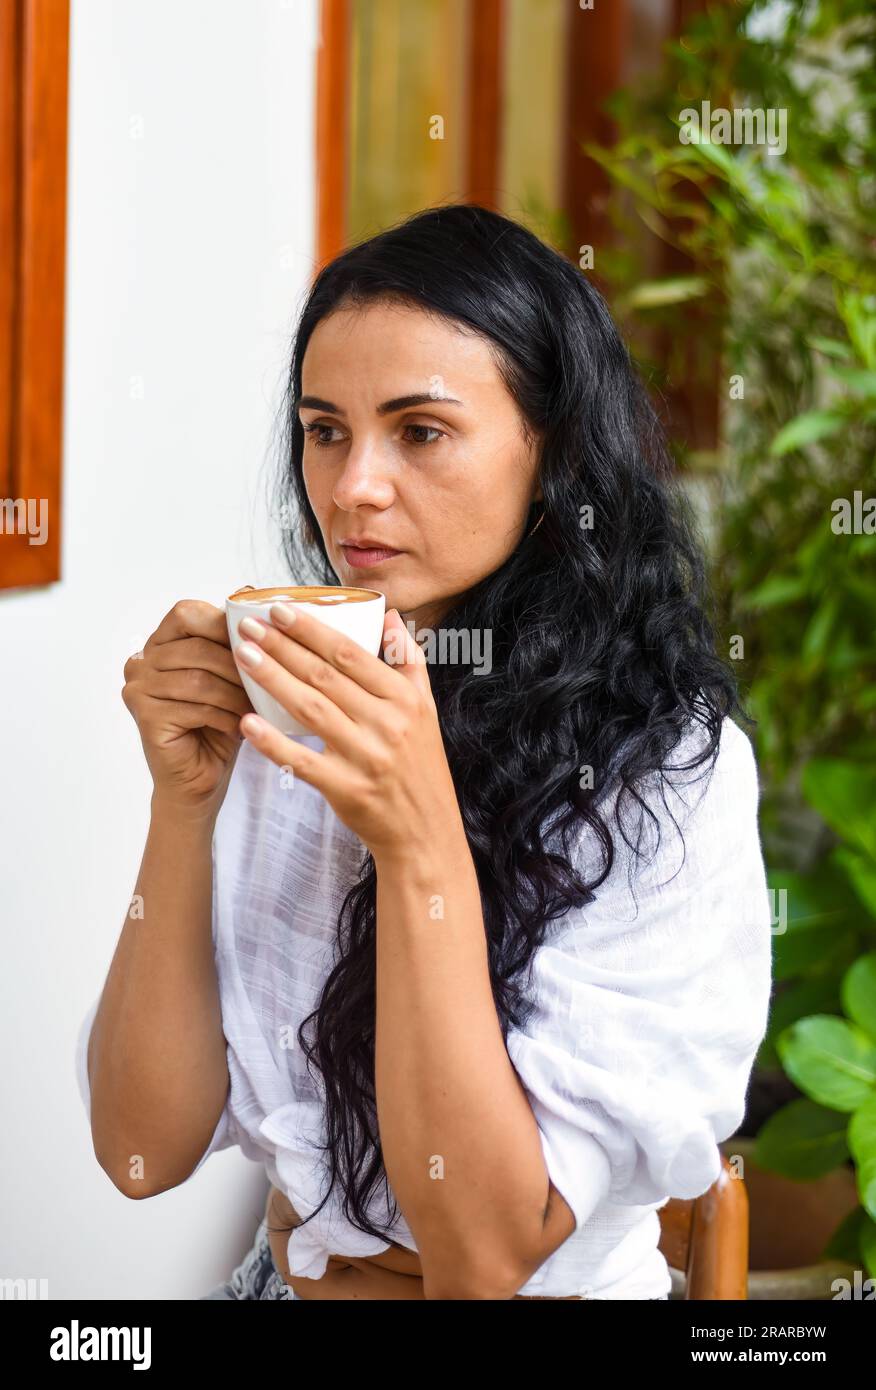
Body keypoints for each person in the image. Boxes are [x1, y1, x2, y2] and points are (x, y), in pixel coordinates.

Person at [75, 203, 772, 1301]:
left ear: (553, 451)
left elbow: (485, 1256)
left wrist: (417, 835)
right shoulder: (288, 704)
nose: (355, 486)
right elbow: (138, 1154)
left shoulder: (665, 773)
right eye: (325, 429)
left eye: (422, 431)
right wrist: (184, 804)